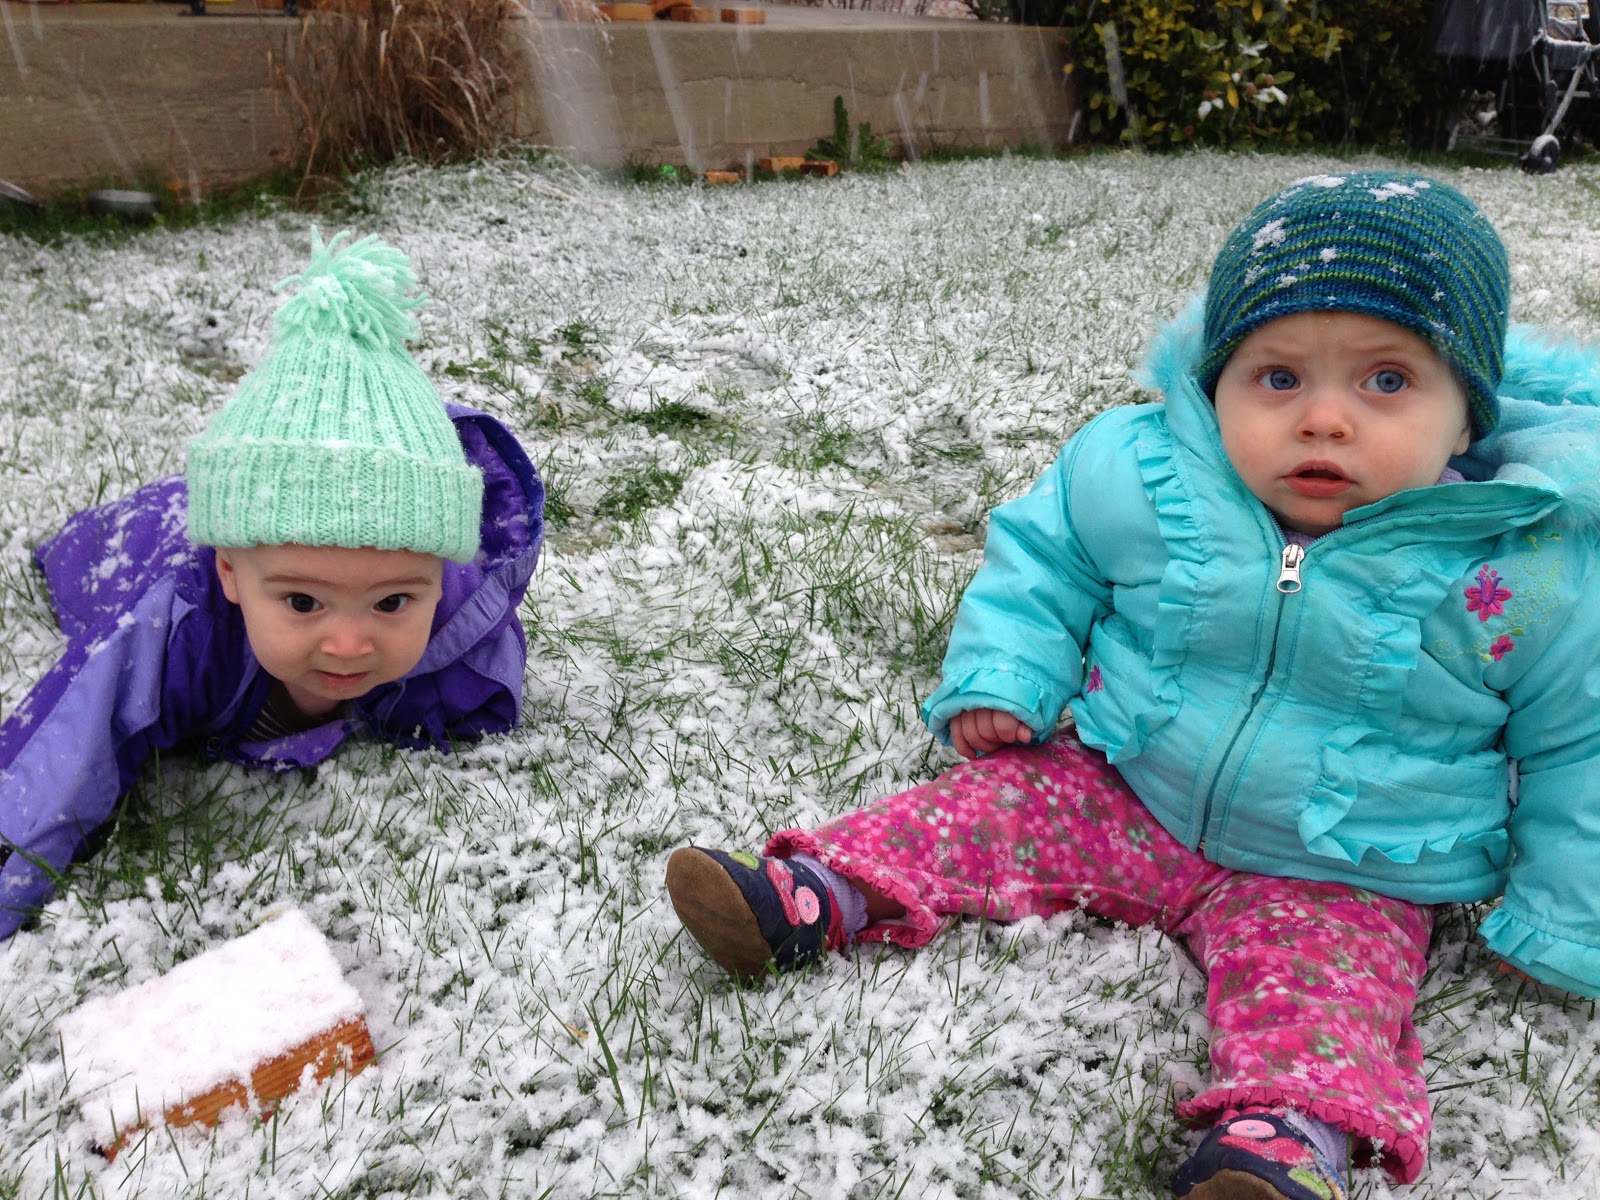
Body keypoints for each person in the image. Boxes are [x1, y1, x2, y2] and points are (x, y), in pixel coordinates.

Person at [665, 171, 1600, 1200]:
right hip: (1128, 781)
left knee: (1325, 1000)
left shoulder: (1524, 570)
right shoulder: (1145, 473)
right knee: (987, 809)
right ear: (1214, 386)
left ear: (1466, 419)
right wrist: (1010, 672)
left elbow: (1575, 745)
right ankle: (815, 893)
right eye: (1277, 378)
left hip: (1343, 865)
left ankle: (1282, 1138)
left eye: (1386, 383)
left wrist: (1559, 921)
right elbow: (1045, 557)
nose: (1323, 418)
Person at [0, 231, 544, 943]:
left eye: (391, 602)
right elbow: (60, 754)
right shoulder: (175, 618)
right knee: (109, 568)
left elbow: (477, 674)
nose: (349, 641)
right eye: (302, 602)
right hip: (131, 541)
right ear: (231, 571)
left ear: (439, 576)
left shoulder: (452, 621)